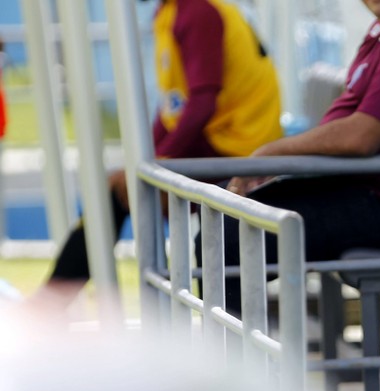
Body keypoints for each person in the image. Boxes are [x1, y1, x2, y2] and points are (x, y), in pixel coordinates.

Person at [221, 0, 380, 309]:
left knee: (233, 234)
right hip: (375, 191)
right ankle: (236, 348)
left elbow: (361, 136)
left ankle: (231, 354)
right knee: (232, 219)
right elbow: (348, 124)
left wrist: (270, 154)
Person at [34, 0, 282, 310]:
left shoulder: (197, 11)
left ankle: (46, 307)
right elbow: (173, 110)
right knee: (121, 186)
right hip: (221, 142)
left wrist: (154, 162)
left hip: (239, 151)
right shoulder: (173, 12)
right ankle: (48, 305)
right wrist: (145, 159)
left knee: (122, 191)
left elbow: (202, 105)